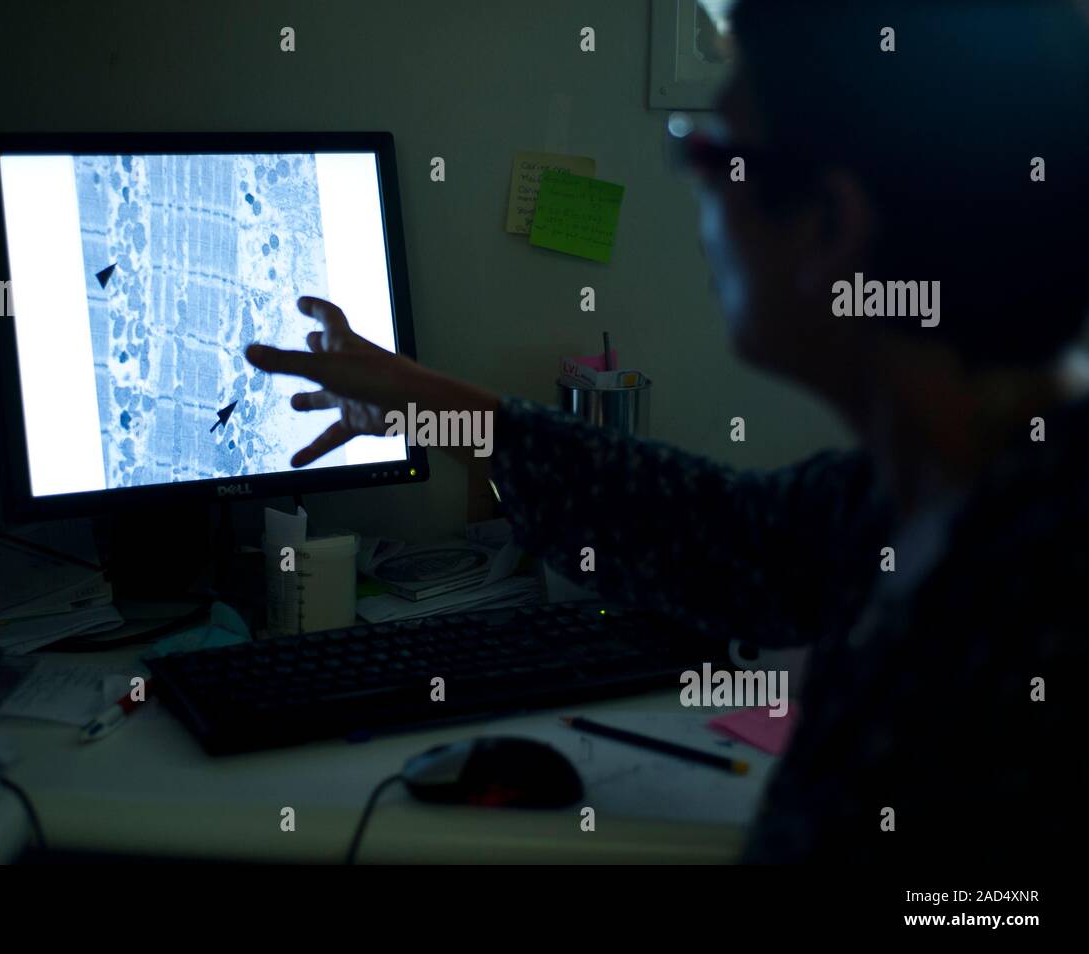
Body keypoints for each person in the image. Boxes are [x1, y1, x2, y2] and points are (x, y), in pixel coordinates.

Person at [247, 0, 1089, 862]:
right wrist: (435, 405)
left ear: (831, 226)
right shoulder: (915, 494)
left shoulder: (1036, 589)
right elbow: (709, 528)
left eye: (708, 154)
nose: (692, 191)